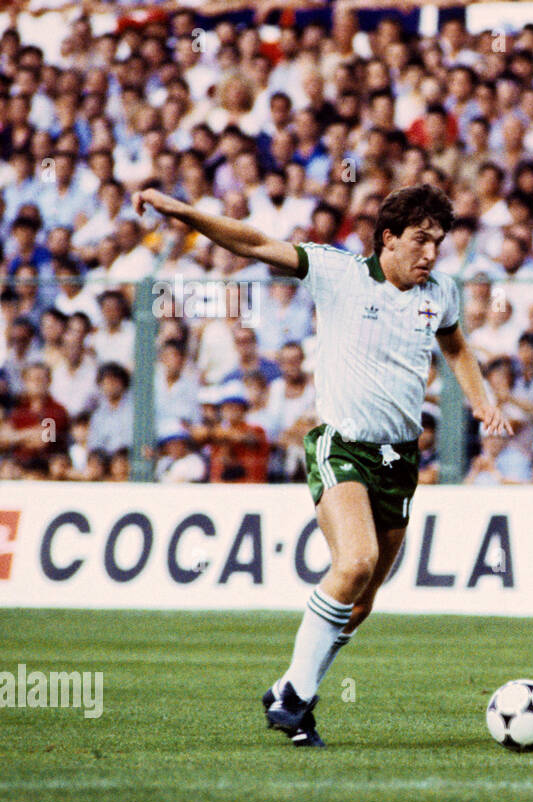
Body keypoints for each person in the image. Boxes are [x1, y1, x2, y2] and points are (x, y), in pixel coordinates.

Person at [133, 183, 509, 748]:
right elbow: (255, 242)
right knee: (355, 560)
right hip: (342, 446)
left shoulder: (442, 293)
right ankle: (295, 703)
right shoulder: (339, 274)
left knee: (360, 603)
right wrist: (183, 213)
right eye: (420, 241)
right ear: (388, 239)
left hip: (399, 460)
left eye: (438, 243)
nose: (430, 254)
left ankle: (287, 686)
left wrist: (481, 398)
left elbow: (454, 346)